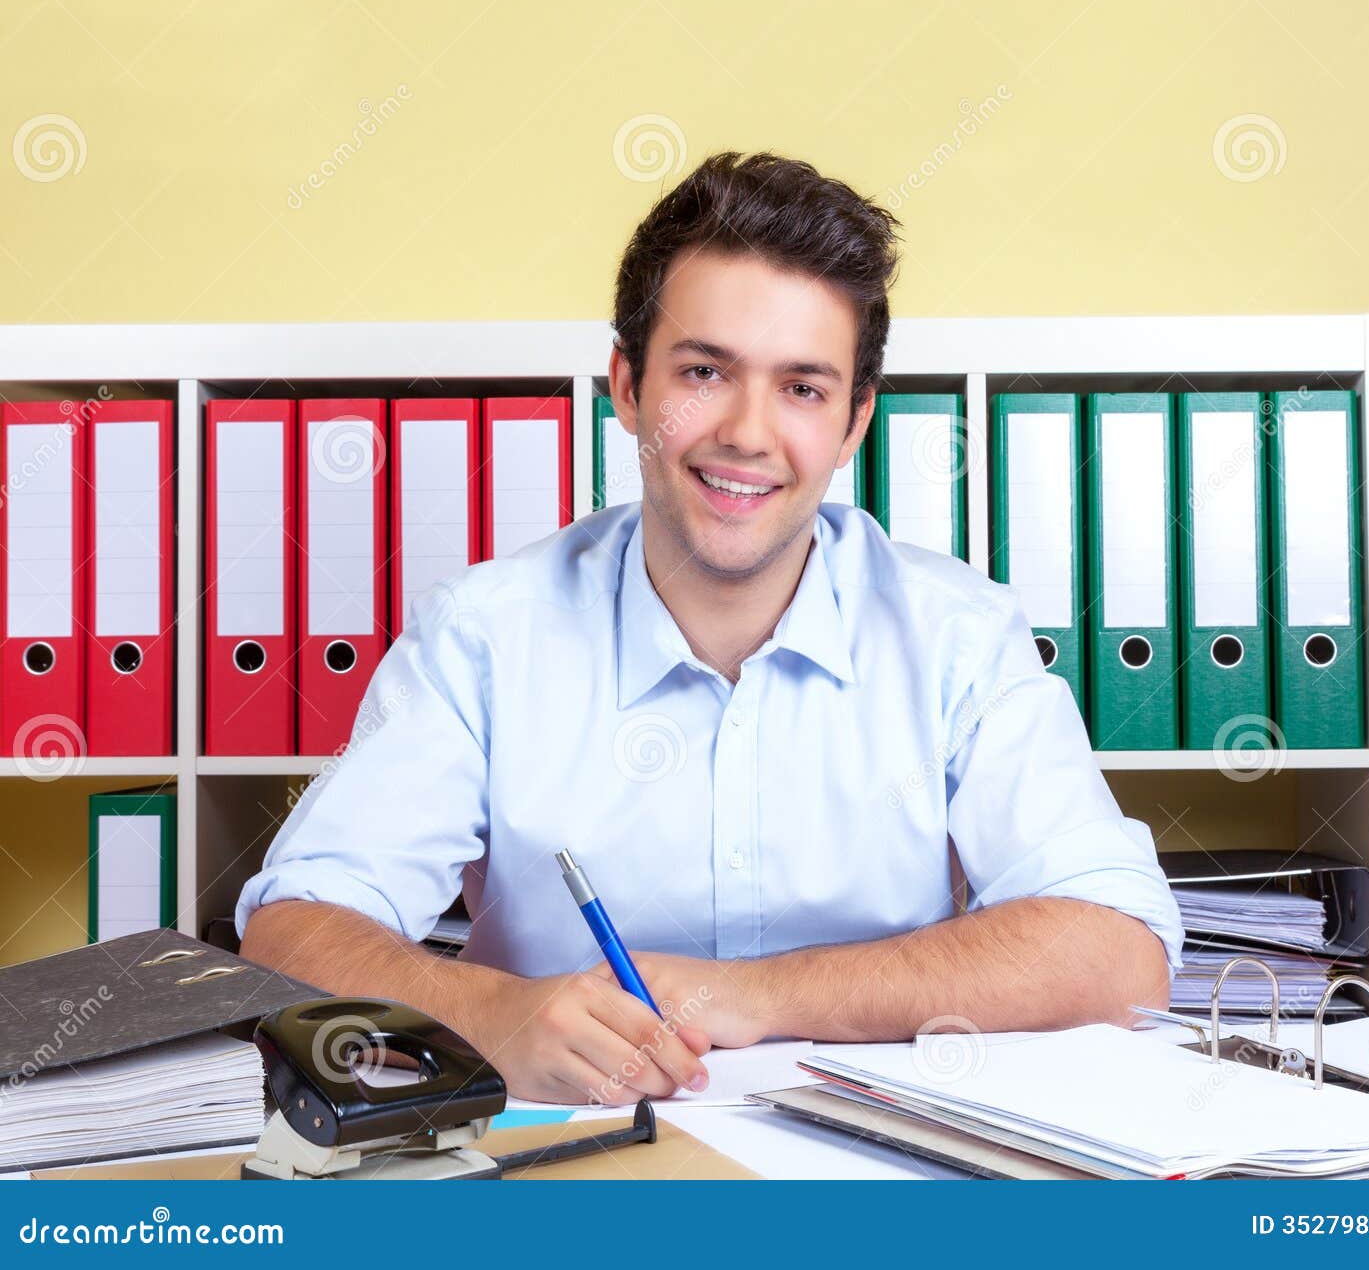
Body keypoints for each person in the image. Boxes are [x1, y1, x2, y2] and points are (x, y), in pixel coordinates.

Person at [238, 150, 1181, 1105]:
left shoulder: (957, 636)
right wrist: (490, 1015)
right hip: (570, 1173)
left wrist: (753, 996)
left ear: (856, 423)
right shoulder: (484, 636)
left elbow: (1117, 948)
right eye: (703, 372)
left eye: (803, 388)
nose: (746, 433)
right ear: (627, 387)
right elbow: (293, 932)